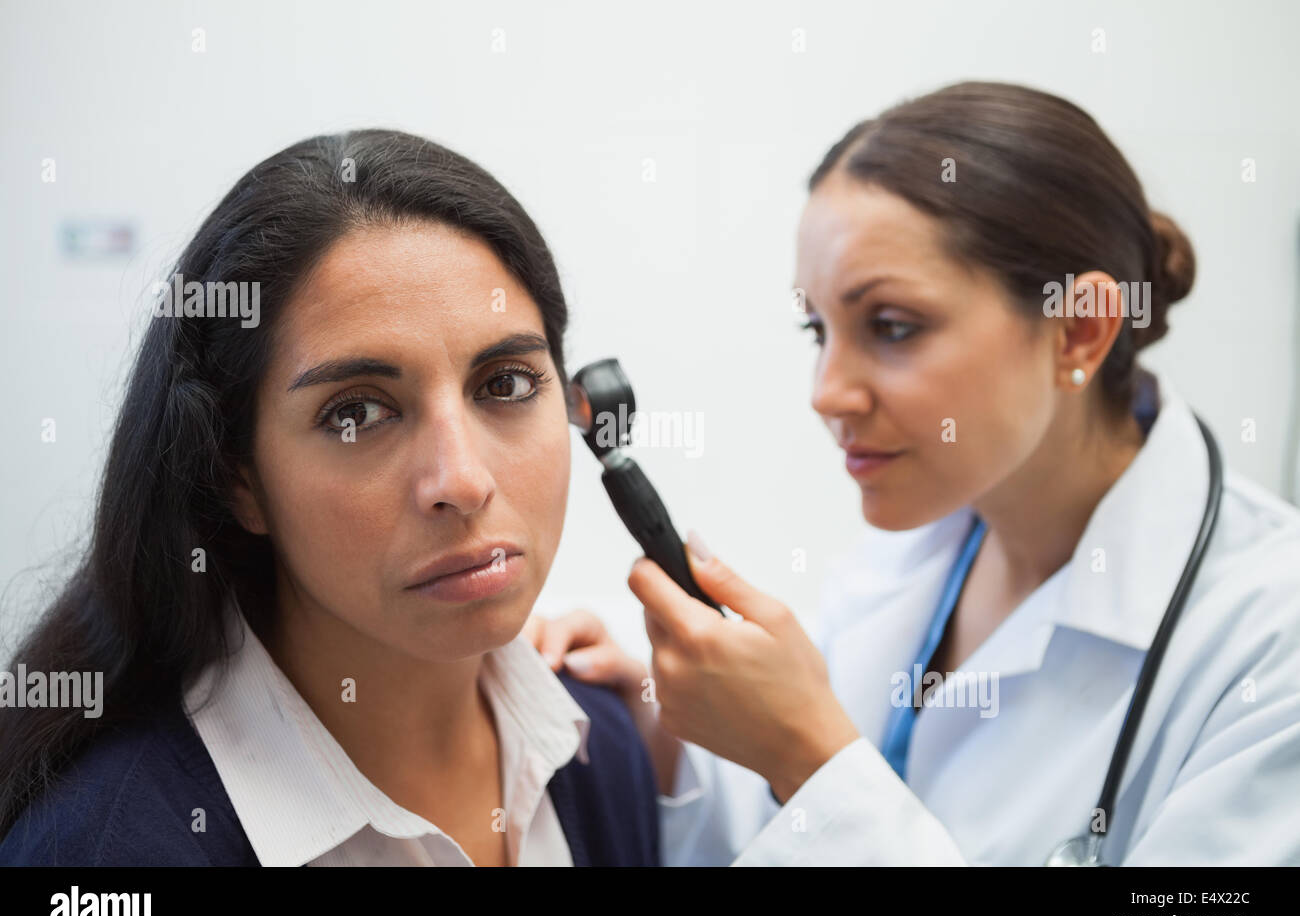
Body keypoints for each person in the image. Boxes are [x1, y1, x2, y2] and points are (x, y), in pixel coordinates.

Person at [531, 81, 1300, 865]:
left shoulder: (1274, 645)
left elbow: (842, 792)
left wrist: (806, 752)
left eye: (892, 327)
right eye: (818, 330)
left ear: (1079, 329)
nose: (827, 392)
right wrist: (670, 735)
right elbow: (818, 823)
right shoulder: (920, 546)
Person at [0, 130, 659, 867]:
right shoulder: (108, 856)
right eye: (357, 414)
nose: (465, 481)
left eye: (504, 384)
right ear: (236, 476)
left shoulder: (603, 746)